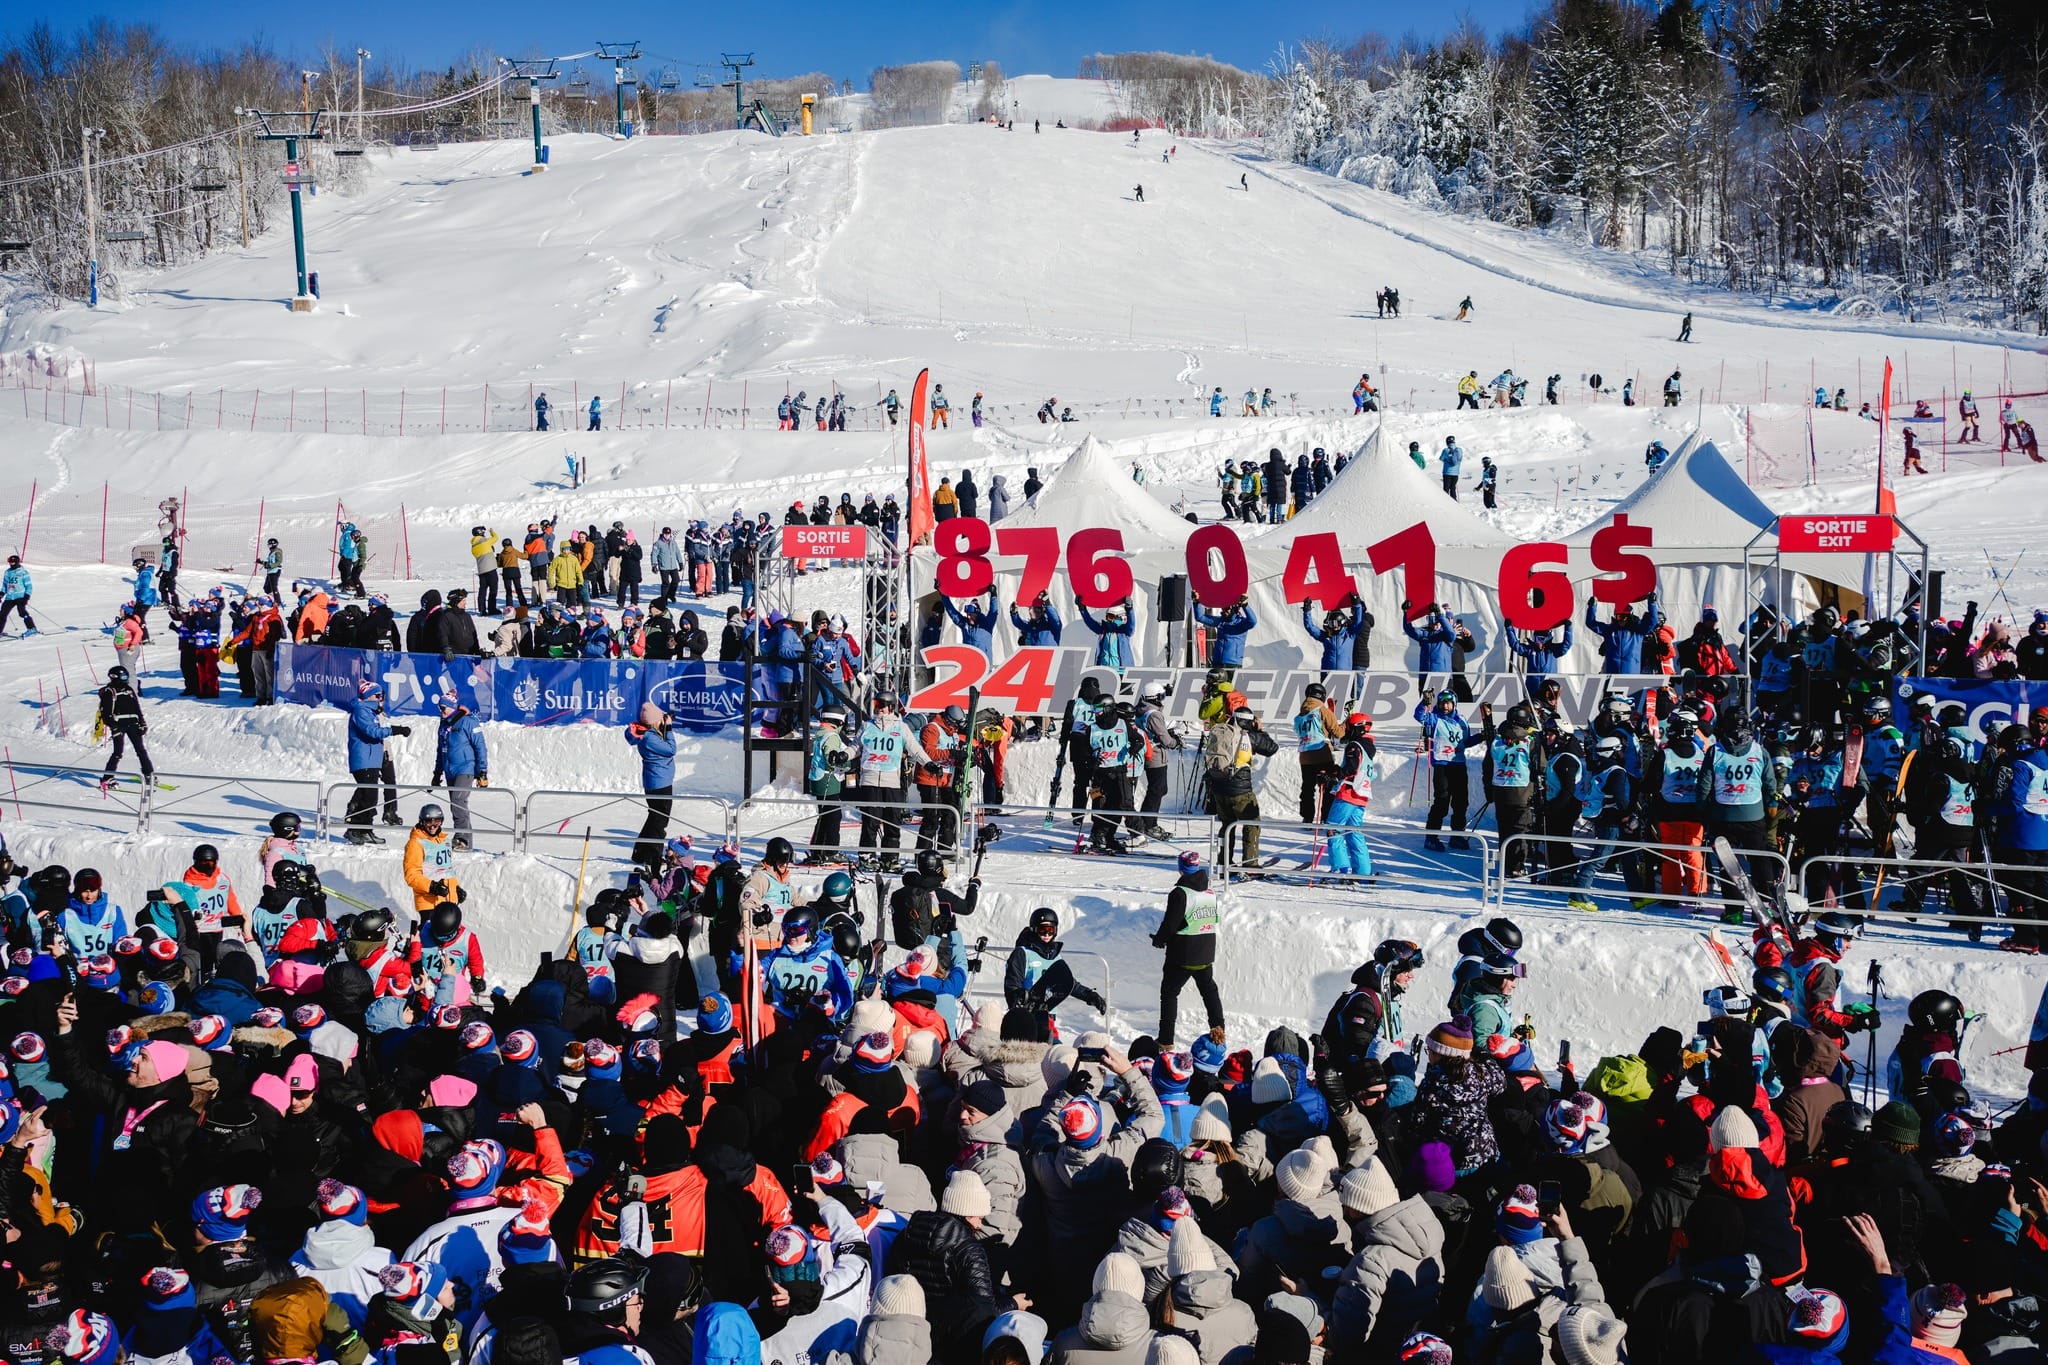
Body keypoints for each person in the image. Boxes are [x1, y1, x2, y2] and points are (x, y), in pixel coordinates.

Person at [97, 663, 156, 793]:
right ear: (115, 677)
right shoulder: (109, 691)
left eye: (126, 677)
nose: (125, 679)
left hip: (133, 723)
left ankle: (148, 774)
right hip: (119, 725)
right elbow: (105, 713)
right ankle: (107, 778)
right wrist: (114, 726)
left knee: (141, 750)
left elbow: (137, 707)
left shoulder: (129, 690)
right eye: (123, 677)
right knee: (118, 752)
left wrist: (142, 722)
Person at [0, 554, 34, 636]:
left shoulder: (23, 572)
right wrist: (1, 594)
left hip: (20, 596)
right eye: (10, 562)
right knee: (2, 614)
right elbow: (5, 585)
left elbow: (29, 586)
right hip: (10, 597)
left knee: (22, 612)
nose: (11, 564)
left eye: (13, 562)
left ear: (17, 562)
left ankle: (32, 628)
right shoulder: (7, 572)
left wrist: (26, 597)